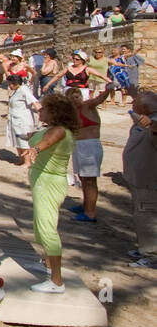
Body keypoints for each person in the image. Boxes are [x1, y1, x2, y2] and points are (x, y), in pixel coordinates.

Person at [21, 94, 79, 293]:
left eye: (44, 107)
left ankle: (56, 281)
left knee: (47, 229)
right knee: (43, 224)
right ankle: (47, 264)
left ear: (55, 111)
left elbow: (48, 141)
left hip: (48, 184)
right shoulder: (55, 129)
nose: (40, 110)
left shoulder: (59, 131)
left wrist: (35, 149)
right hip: (44, 181)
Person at [65, 83, 111, 223]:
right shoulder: (71, 112)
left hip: (89, 145)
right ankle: (86, 205)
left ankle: (90, 213)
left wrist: (108, 89)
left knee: (90, 180)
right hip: (78, 146)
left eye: (77, 97)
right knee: (83, 178)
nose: (75, 100)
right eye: (72, 98)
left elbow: (99, 99)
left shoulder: (88, 106)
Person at [123, 91, 157, 267]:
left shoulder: (152, 122)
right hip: (137, 179)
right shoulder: (141, 120)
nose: (132, 103)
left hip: (148, 182)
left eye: (135, 102)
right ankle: (144, 247)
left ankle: (152, 255)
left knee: (147, 216)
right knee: (140, 215)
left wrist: (152, 122)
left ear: (145, 107)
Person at [5, 73, 39, 160]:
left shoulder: (24, 90)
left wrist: (41, 114)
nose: (9, 86)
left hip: (23, 120)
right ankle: (21, 159)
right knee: (17, 140)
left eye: (10, 84)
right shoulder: (16, 91)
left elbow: (34, 102)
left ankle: (27, 161)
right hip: (15, 119)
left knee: (23, 141)